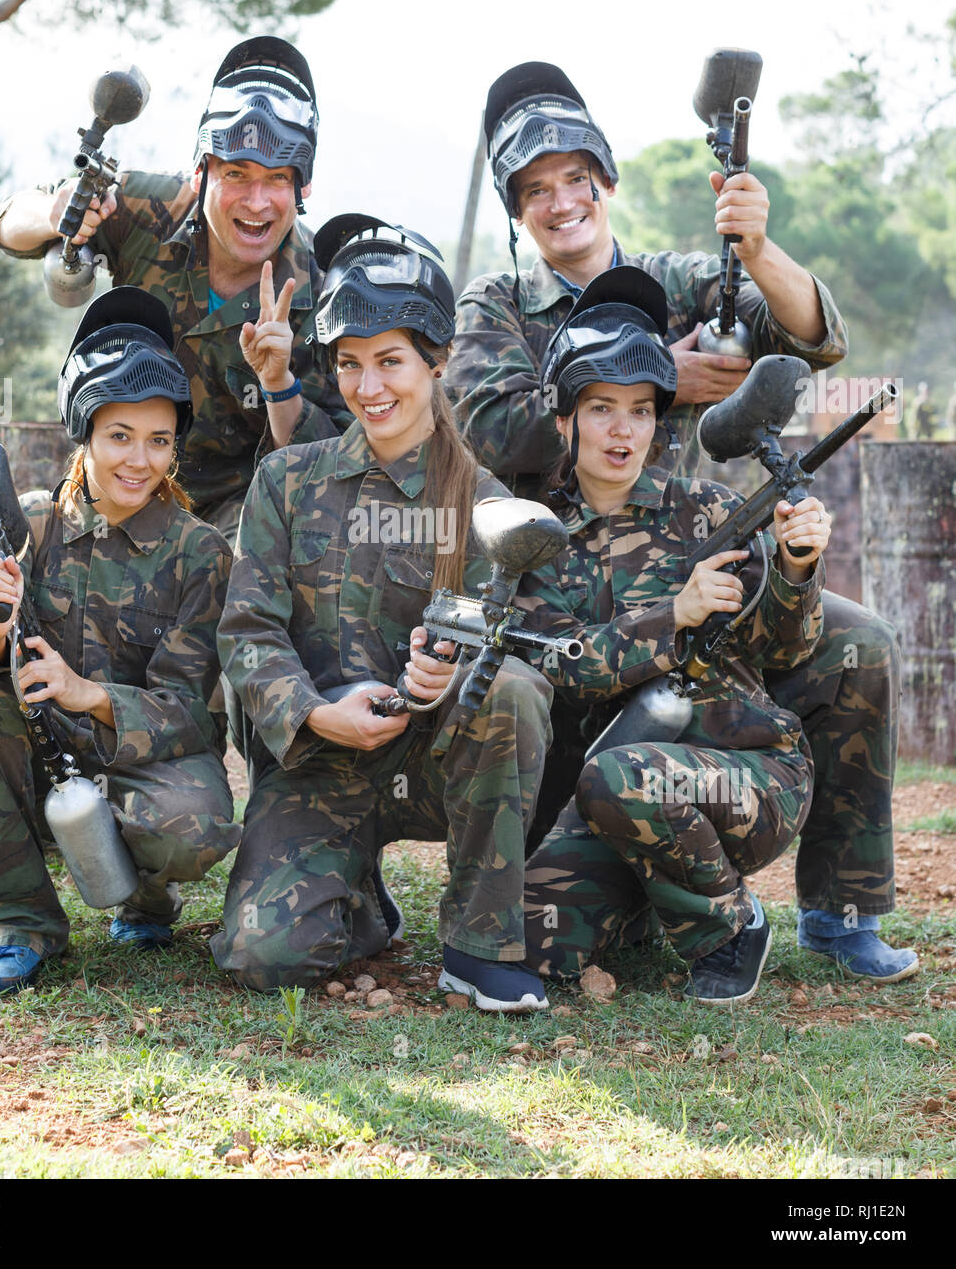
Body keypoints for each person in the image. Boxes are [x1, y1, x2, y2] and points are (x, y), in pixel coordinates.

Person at [445, 62, 916, 983]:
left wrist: (757, 244)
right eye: (534, 189)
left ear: (604, 182)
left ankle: (839, 909)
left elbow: (813, 338)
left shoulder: (682, 278)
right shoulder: (495, 305)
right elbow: (490, 424)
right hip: (575, 577)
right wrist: (656, 378)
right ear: (515, 209)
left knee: (855, 643)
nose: (559, 201)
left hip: (702, 556)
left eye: (574, 178)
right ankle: (610, 883)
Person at [210, 214, 554, 1012]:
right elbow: (247, 631)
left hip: (430, 765)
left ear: (436, 364)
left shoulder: (485, 505)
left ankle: (477, 942)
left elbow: (506, 641)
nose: (370, 388)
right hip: (317, 761)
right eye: (350, 364)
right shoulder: (287, 483)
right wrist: (316, 713)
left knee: (512, 691)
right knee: (265, 957)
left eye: (392, 362)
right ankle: (356, 897)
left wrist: (450, 674)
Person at [517, 269, 831, 1002]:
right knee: (526, 945)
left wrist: (795, 565)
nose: (621, 430)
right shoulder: (541, 543)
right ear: (563, 420)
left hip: (751, 773)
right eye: (599, 409)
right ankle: (653, 900)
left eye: (638, 410)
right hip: (612, 797)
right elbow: (565, 667)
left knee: (619, 774)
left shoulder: (706, 512)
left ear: (660, 420)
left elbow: (786, 651)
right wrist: (674, 616)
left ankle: (729, 924)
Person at [0, 288, 237, 993]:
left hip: (143, 761)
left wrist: (86, 693)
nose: (140, 460)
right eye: (119, 436)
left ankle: (148, 897)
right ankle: (22, 920)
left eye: (159, 440)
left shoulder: (201, 552)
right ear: (84, 435)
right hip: (41, 748)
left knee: (192, 828)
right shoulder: (26, 524)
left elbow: (190, 711)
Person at [0, 37, 351, 539]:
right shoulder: (147, 206)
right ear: (202, 173)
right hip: (119, 480)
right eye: (236, 174)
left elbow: (332, 462)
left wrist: (279, 382)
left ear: (302, 188)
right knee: (28, 551)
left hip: (237, 511)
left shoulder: (326, 291)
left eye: (277, 179)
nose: (257, 201)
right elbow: (4, 228)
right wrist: (54, 214)